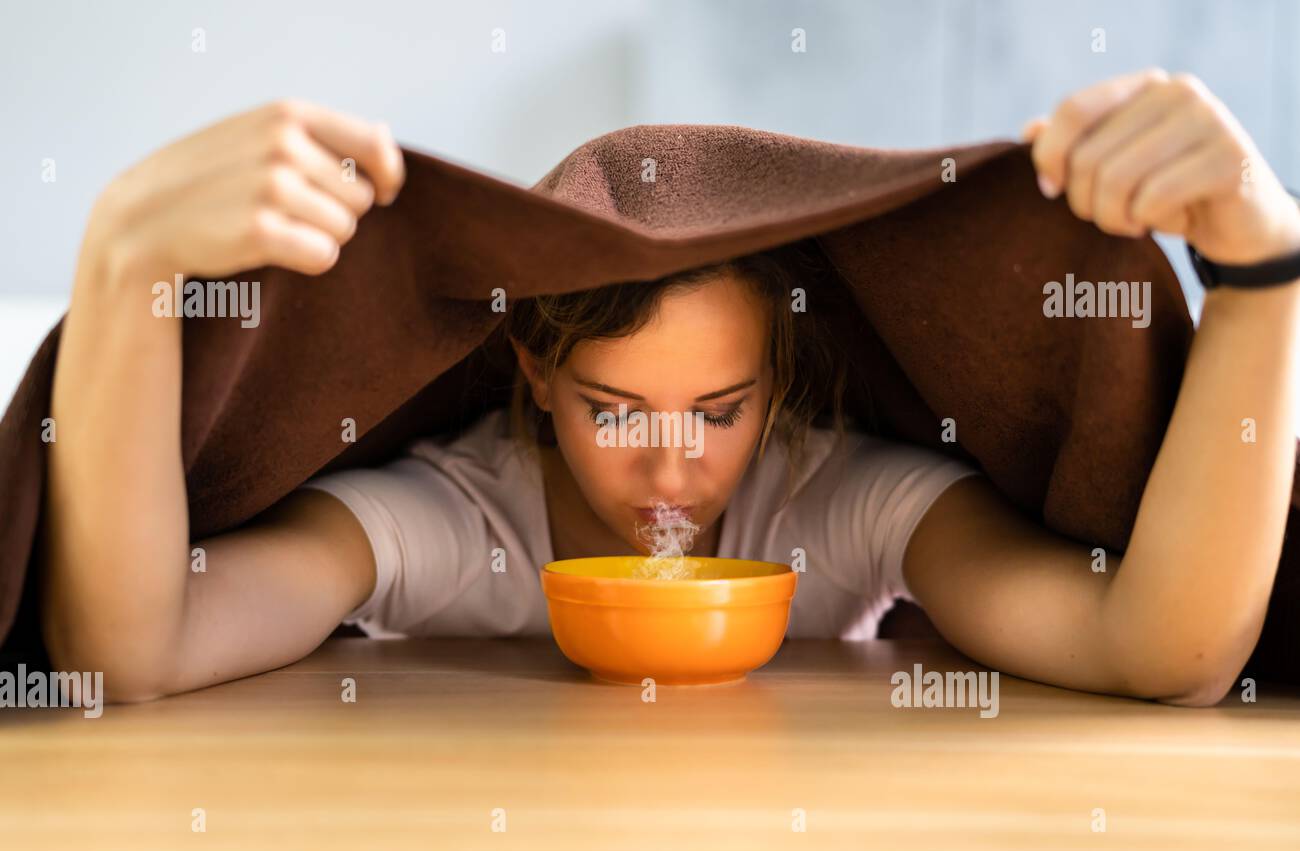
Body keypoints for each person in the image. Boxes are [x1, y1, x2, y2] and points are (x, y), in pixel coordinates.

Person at [39, 68, 1300, 707]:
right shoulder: (458, 517)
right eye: (612, 408)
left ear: (782, 381)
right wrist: (124, 263)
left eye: (719, 409)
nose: (671, 469)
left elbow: (1151, 649)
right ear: (533, 371)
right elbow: (133, 650)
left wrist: (1265, 273)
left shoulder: (834, 501)